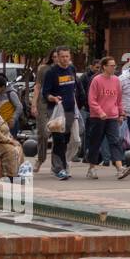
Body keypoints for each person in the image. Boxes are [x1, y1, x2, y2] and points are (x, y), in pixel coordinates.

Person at [41, 46, 83, 181]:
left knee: (75, 140)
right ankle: (59, 169)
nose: (65, 59)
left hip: (71, 110)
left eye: (67, 56)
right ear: (57, 57)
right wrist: (53, 98)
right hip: (56, 112)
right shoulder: (51, 72)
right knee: (59, 141)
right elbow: (45, 93)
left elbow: (75, 89)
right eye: (62, 56)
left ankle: (66, 163)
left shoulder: (72, 69)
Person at [86, 56, 130, 180]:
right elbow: (91, 99)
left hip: (112, 116)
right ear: (104, 66)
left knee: (115, 141)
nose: (113, 67)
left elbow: (119, 99)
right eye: (111, 65)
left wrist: (121, 114)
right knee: (96, 142)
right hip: (98, 117)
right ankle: (92, 168)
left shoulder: (116, 80)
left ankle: (120, 168)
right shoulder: (96, 80)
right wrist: (100, 112)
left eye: (114, 65)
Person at [31, 51, 55, 172]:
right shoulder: (43, 69)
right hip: (43, 104)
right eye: (54, 56)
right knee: (43, 133)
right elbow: (37, 86)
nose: (57, 59)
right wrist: (34, 104)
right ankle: (40, 158)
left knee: (58, 134)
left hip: (57, 105)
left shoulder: (65, 69)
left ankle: (57, 163)